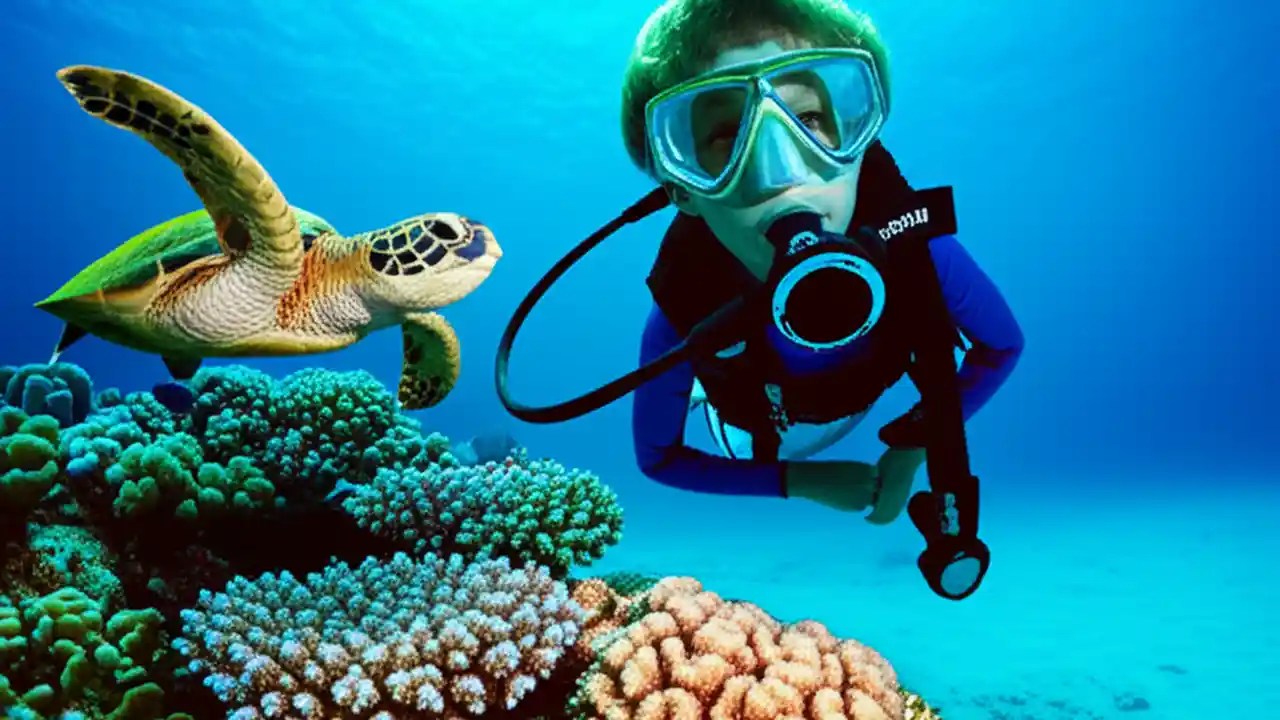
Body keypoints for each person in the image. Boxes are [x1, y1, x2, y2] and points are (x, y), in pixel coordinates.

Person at [622, 0, 1025, 525]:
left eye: (809, 118)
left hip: (855, 394)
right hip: (760, 418)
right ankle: (705, 389)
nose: (781, 170)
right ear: (683, 189)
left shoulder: (915, 250)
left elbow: (1003, 346)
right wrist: (798, 480)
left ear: (858, 138)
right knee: (724, 401)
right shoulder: (688, 307)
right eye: (726, 135)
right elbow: (658, 458)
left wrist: (913, 444)